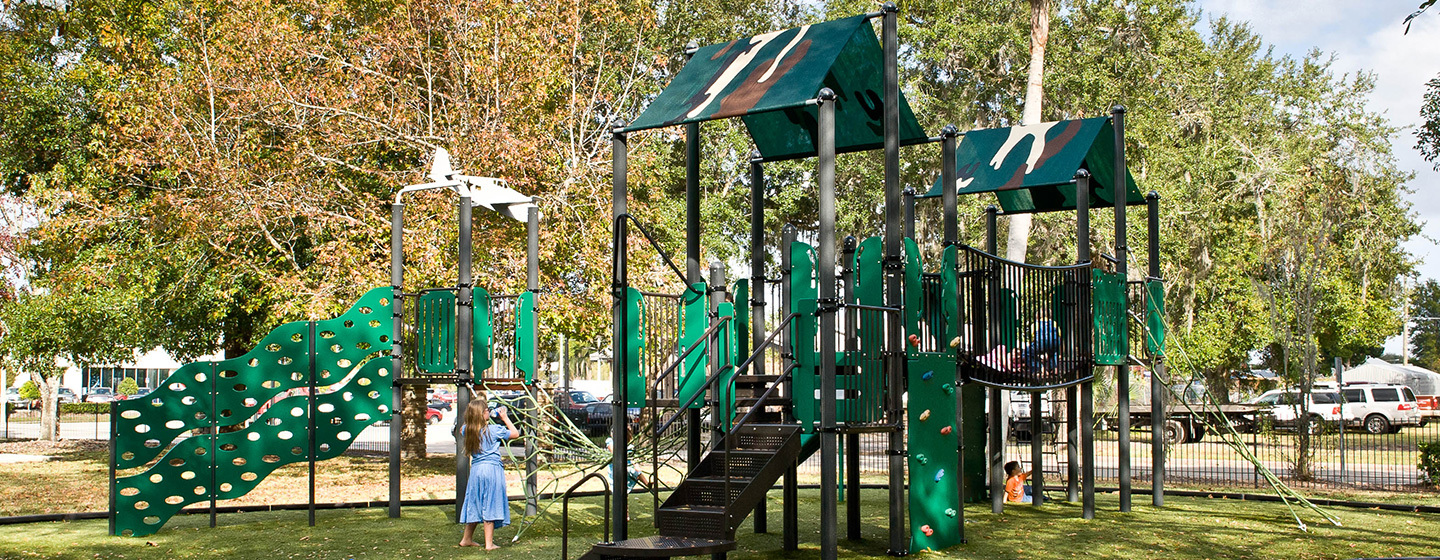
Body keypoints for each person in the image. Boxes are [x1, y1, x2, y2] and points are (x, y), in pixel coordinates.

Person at [459, 396, 519, 550]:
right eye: (487, 410)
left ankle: (466, 539)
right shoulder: (493, 430)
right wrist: (504, 417)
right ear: (482, 414)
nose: (489, 412)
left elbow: (462, 428)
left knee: (475, 501)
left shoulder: (468, 430)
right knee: (490, 502)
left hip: (476, 471)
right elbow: (515, 433)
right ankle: (489, 543)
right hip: (491, 470)